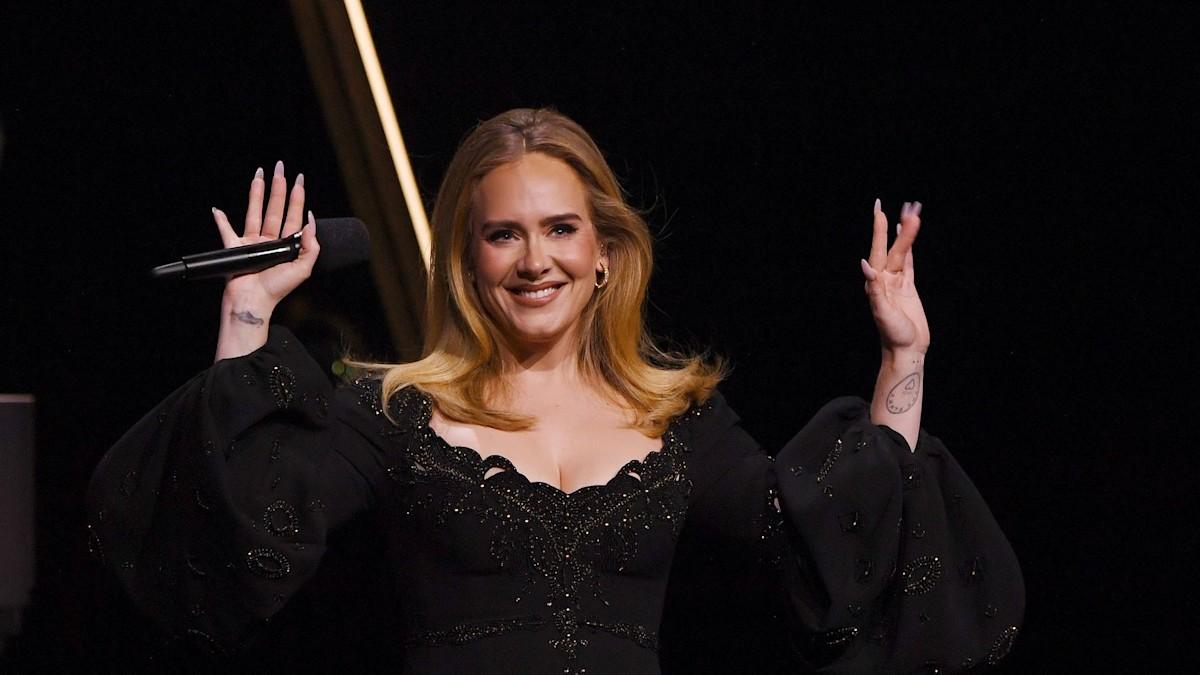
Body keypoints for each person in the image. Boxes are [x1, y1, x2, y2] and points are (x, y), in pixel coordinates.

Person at [87, 108, 1024, 673]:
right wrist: (247, 314)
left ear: (605, 252)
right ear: (467, 258)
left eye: (562, 229)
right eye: (504, 235)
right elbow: (240, 526)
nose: (536, 260)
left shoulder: (678, 419)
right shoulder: (400, 414)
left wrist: (904, 360)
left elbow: (831, 535)